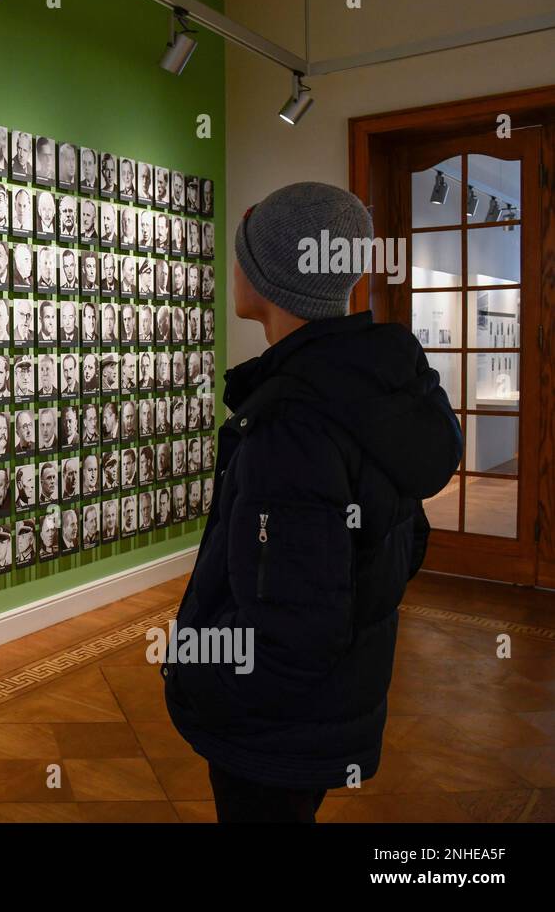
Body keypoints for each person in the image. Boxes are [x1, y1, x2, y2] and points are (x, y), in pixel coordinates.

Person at [165, 181, 461, 824]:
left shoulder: (293, 423)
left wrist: (195, 671)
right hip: (330, 706)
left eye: (244, 254)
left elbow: (290, 635)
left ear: (270, 278)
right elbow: (401, 542)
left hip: (276, 733)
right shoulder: (373, 388)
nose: (233, 268)